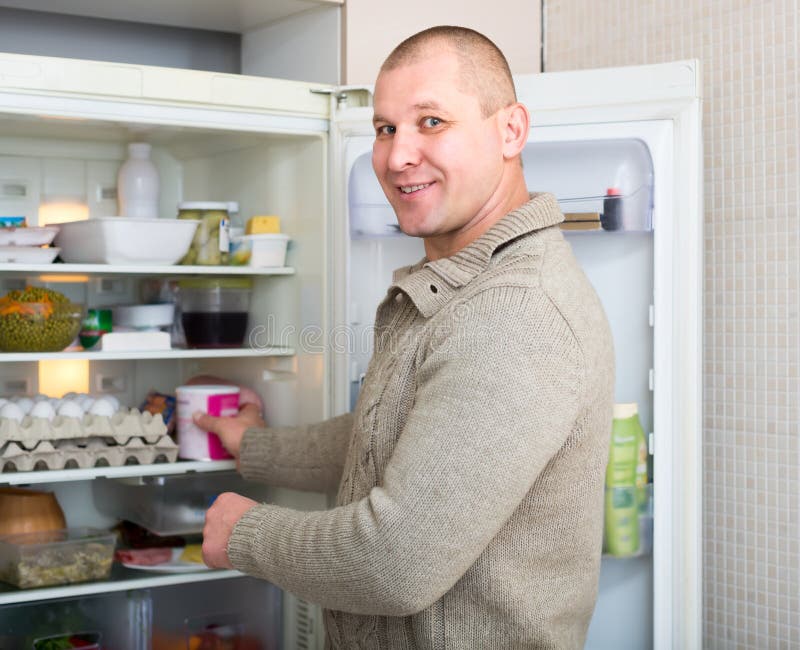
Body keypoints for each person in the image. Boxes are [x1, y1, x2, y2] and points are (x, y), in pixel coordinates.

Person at [197, 25, 615, 649]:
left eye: (432, 122)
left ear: (511, 130)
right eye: (386, 128)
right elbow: (399, 436)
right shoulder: (463, 286)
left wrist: (245, 531)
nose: (396, 157)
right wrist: (257, 447)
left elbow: (395, 563)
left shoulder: (515, 313)